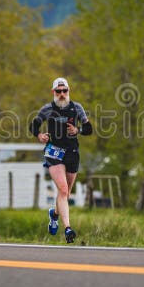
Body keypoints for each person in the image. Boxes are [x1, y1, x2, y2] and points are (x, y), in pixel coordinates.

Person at [30, 77, 92, 243]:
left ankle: (54, 214)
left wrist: (78, 130)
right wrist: (39, 135)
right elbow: (34, 125)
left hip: (72, 152)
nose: (62, 94)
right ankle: (68, 229)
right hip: (54, 152)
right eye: (59, 91)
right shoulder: (47, 109)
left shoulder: (77, 108)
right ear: (54, 92)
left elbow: (89, 128)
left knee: (66, 193)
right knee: (63, 191)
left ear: (69, 91)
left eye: (65, 91)